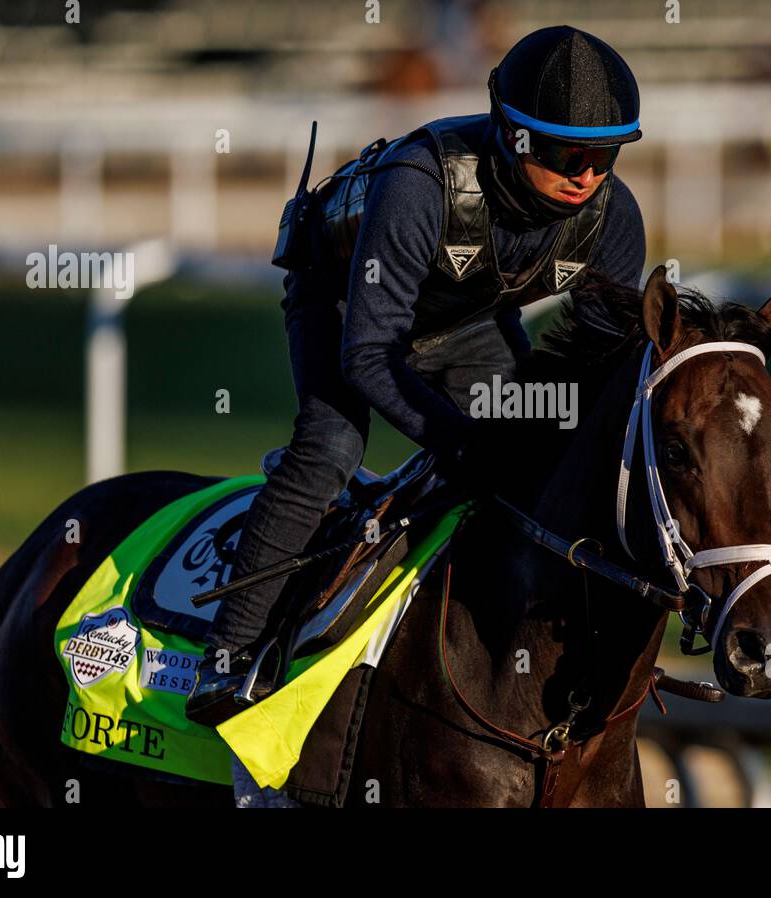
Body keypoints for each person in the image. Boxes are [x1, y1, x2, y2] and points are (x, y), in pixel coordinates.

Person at [186, 25, 648, 725]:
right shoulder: (417, 184)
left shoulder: (614, 220)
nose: (587, 173)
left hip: (468, 321)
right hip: (346, 306)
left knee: (535, 456)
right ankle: (227, 654)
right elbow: (368, 354)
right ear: (511, 135)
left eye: (605, 155)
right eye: (564, 151)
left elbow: (599, 378)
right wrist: (463, 440)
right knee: (331, 449)